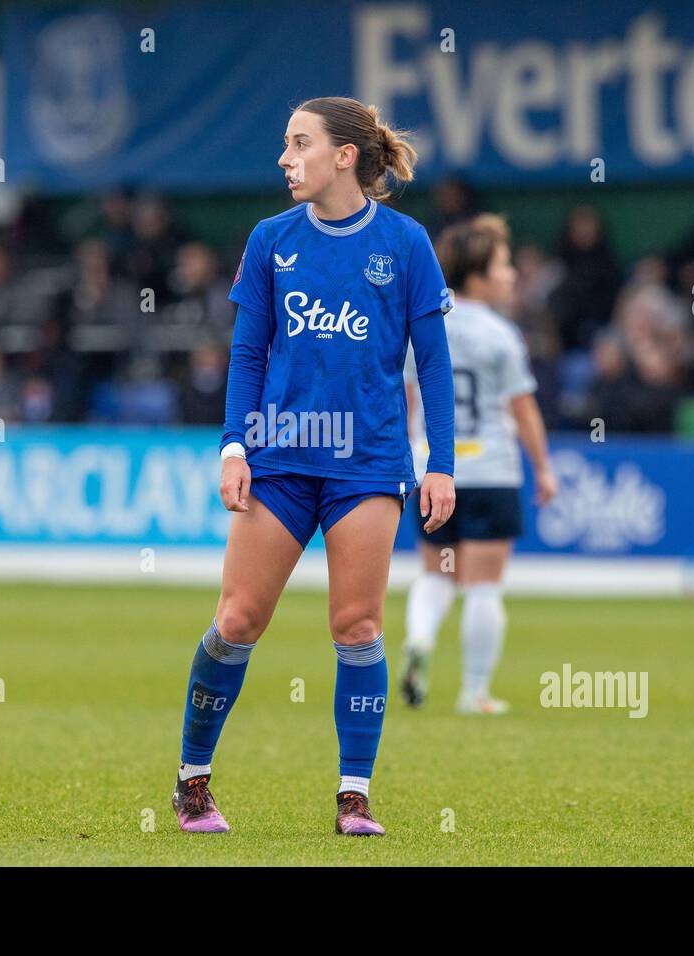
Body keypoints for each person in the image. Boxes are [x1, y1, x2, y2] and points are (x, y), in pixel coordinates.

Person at [171, 96, 456, 837]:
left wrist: (442, 463)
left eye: (299, 143)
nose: (284, 158)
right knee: (237, 621)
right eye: (284, 143)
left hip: (368, 464)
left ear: (344, 156)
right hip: (281, 458)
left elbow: (434, 363)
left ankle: (353, 796)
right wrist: (234, 445)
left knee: (357, 626)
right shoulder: (271, 241)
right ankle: (191, 782)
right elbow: (246, 351)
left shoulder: (406, 243)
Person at [401, 214, 557, 714]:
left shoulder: (422, 328)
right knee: (484, 586)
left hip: (434, 472)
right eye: (504, 265)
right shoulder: (500, 335)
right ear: (477, 275)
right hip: (490, 471)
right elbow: (523, 408)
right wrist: (544, 468)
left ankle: (421, 639)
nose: (511, 275)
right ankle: (474, 691)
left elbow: (406, 403)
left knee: (438, 571)